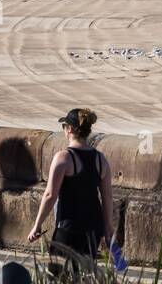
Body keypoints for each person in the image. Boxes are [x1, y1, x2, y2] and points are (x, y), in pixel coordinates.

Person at [28, 108, 116, 274]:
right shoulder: (101, 160)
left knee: (58, 277)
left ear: (69, 129)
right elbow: (108, 197)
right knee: (83, 275)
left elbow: (50, 195)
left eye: (64, 126)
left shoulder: (64, 158)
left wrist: (37, 225)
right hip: (93, 228)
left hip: (69, 227)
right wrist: (108, 228)